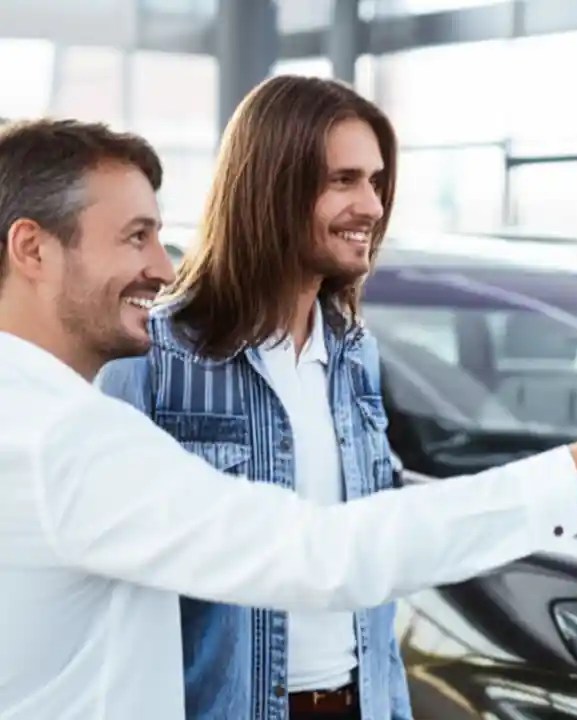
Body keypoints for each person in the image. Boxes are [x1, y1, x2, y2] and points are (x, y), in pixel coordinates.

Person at [0, 117, 577, 719]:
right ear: (31, 248)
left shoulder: (350, 351)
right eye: (136, 237)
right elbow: (322, 553)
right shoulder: (71, 433)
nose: (163, 265)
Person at [96, 74, 420, 720]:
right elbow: (106, 587)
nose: (373, 207)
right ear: (272, 186)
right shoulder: (151, 354)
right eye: (344, 180)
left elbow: (375, 572)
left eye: (377, 182)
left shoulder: (356, 354)